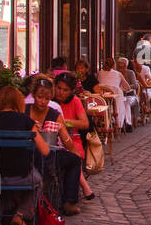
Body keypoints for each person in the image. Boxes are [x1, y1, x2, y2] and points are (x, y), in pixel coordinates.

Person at [0, 85, 49, 225]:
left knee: (0, 184)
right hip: (22, 175)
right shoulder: (26, 121)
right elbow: (45, 151)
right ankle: (20, 214)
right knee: (39, 181)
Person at [26, 77, 83, 215]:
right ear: (33, 95)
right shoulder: (24, 110)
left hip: (49, 155)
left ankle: (69, 201)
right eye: (40, 97)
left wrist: (74, 150)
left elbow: (65, 139)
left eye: (47, 98)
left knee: (74, 160)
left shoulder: (54, 114)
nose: (43, 101)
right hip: (26, 154)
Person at [52, 73, 95, 201]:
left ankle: (81, 187)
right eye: (59, 88)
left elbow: (84, 123)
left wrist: (66, 122)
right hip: (54, 140)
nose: (60, 92)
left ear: (71, 91)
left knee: (73, 153)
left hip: (72, 138)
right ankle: (85, 186)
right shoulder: (49, 101)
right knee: (71, 154)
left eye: (65, 90)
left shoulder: (75, 101)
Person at [95, 58, 133, 133]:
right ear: (114, 65)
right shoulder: (118, 74)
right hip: (115, 99)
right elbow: (127, 87)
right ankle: (119, 125)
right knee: (123, 103)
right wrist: (119, 88)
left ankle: (103, 122)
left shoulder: (100, 73)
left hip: (103, 98)